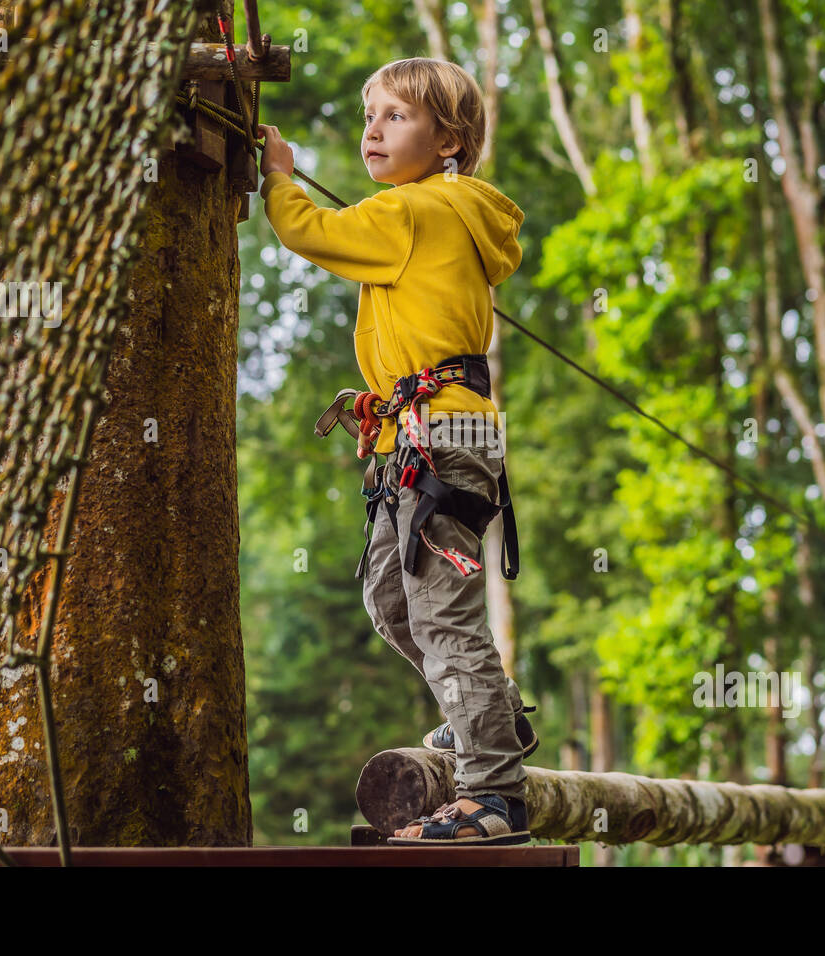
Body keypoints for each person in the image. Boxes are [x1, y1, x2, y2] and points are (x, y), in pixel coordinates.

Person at [256, 57, 539, 845]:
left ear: (448, 140)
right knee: (390, 598)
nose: (372, 130)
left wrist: (278, 174)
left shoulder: (417, 210)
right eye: (369, 115)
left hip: (442, 437)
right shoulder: (432, 213)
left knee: (441, 616)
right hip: (427, 437)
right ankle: (493, 716)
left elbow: (308, 231)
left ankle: (493, 793)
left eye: (395, 116)